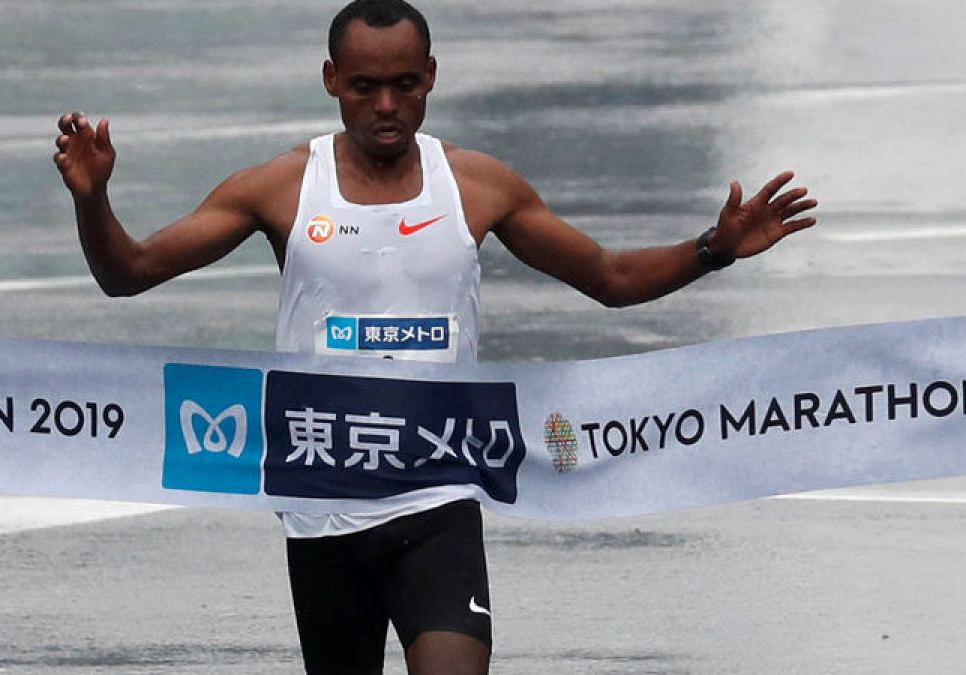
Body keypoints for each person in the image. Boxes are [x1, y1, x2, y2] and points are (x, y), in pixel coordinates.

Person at [53, 1, 817, 673]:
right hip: (326, 500)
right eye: (363, 87)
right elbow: (131, 271)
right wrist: (95, 202)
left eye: (405, 85)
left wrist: (712, 249)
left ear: (431, 77)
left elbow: (608, 277)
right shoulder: (283, 187)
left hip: (440, 494)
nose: (386, 105)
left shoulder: (477, 186)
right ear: (330, 79)